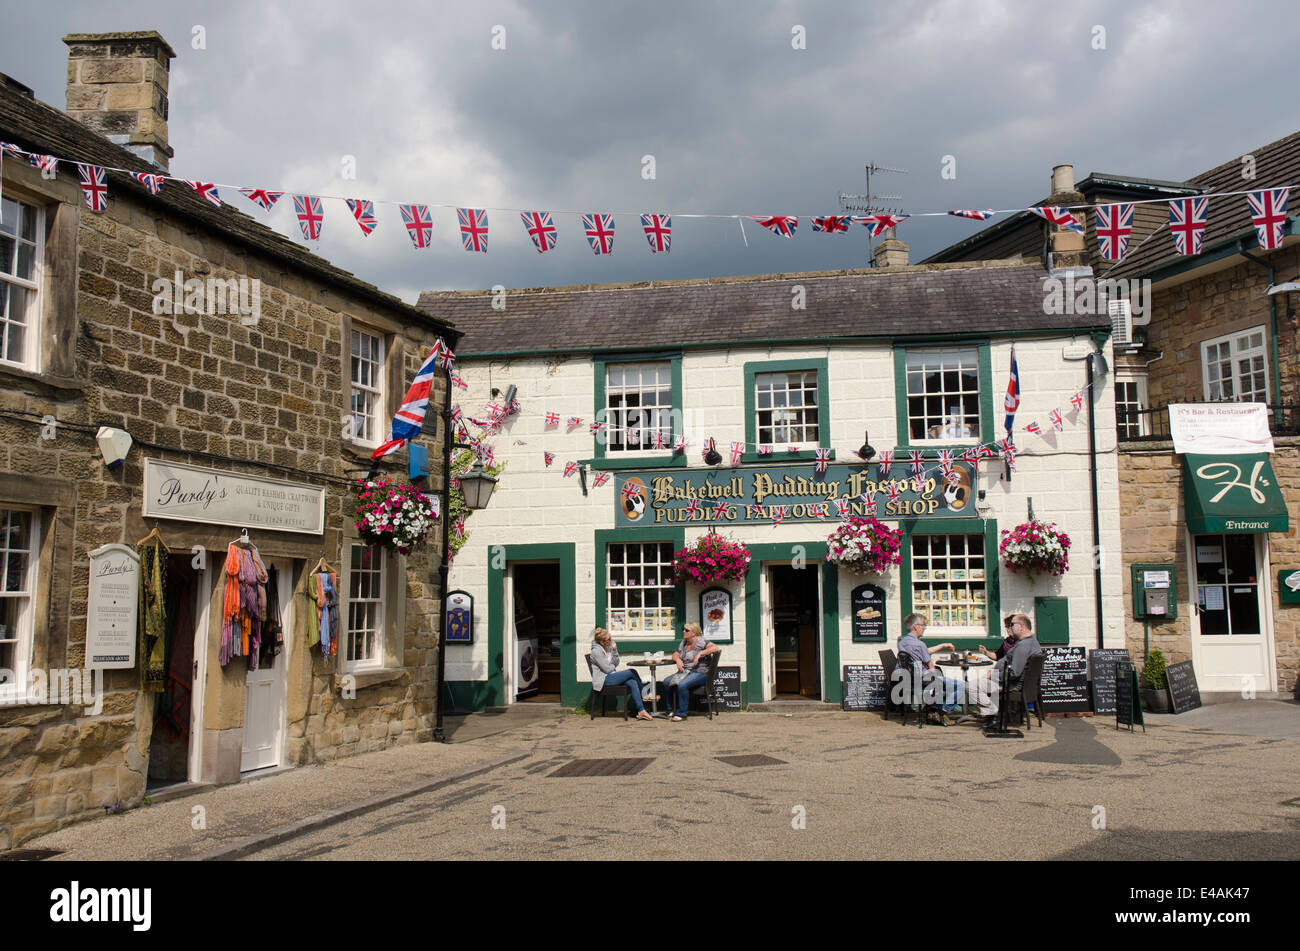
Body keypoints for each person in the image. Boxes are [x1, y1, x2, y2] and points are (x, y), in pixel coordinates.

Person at [963, 613, 1042, 727]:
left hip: (1011, 685)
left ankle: (993, 713)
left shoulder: (1023, 646)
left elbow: (1014, 673)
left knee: (970, 686)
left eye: (1012, 625)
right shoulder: (1031, 641)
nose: (1009, 627)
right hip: (1015, 683)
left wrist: (994, 675)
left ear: (1021, 626)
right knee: (978, 684)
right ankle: (992, 714)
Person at [896, 613, 965, 714]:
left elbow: (921, 652)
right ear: (916, 626)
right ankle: (944, 709)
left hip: (910, 678)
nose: (925, 628)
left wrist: (942, 645)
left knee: (945, 686)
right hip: (923, 680)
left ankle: (934, 706)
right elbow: (931, 668)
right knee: (964, 686)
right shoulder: (920, 644)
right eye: (923, 625)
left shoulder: (902, 642)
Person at [589, 628, 655, 721]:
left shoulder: (608, 647)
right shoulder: (596, 651)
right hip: (603, 680)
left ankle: (641, 711)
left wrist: (614, 650)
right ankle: (646, 694)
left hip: (612, 676)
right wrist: (611, 666)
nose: (611, 640)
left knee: (632, 682)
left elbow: (616, 663)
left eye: (610, 637)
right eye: (608, 639)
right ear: (602, 642)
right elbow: (607, 669)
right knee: (631, 671)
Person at [663, 622, 720, 721]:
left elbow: (715, 648)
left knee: (682, 685)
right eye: (684, 629)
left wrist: (701, 653)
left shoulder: (701, 641)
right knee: (667, 682)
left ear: (694, 633)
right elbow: (675, 654)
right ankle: (671, 709)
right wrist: (678, 660)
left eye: (686, 630)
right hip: (685, 672)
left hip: (700, 673)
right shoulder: (684, 643)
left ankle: (682, 714)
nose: (683, 631)